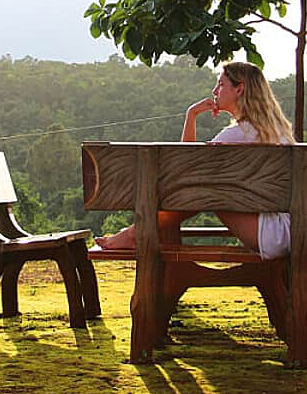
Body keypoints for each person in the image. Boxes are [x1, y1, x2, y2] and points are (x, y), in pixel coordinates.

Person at [94, 61, 295, 259]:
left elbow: (185, 167)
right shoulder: (273, 130)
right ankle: (135, 234)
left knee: (200, 189)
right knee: (203, 187)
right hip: (292, 229)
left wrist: (191, 115)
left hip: (270, 234)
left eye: (221, 84)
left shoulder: (239, 133)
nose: (215, 90)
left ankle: (134, 235)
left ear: (239, 89)